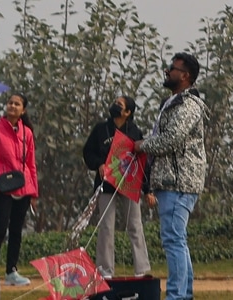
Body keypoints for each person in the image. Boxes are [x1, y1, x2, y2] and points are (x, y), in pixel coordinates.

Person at [135, 53, 206, 300]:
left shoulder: (188, 105)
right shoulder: (173, 102)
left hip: (179, 181)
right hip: (171, 181)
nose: (167, 71)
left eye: (172, 68)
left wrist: (142, 145)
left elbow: (171, 139)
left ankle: (176, 295)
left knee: (174, 240)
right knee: (177, 240)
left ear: (185, 76)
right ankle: (183, 295)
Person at [82, 94, 150, 279]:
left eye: (119, 105)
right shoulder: (100, 129)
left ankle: (142, 269)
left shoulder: (134, 132)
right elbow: (87, 152)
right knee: (106, 227)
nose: (115, 106)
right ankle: (105, 270)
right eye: (115, 103)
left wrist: (147, 190)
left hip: (130, 185)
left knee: (135, 226)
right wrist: (99, 164)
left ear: (128, 112)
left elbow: (143, 162)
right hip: (106, 185)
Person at [0, 93, 38, 287]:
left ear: (23, 110)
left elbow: (31, 164)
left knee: (16, 231)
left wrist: (34, 192)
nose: (12, 106)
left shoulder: (26, 133)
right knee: (0, 228)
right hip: (1, 187)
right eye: (10, 102)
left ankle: (11, 271)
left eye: (17, 104)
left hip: (23, 187)